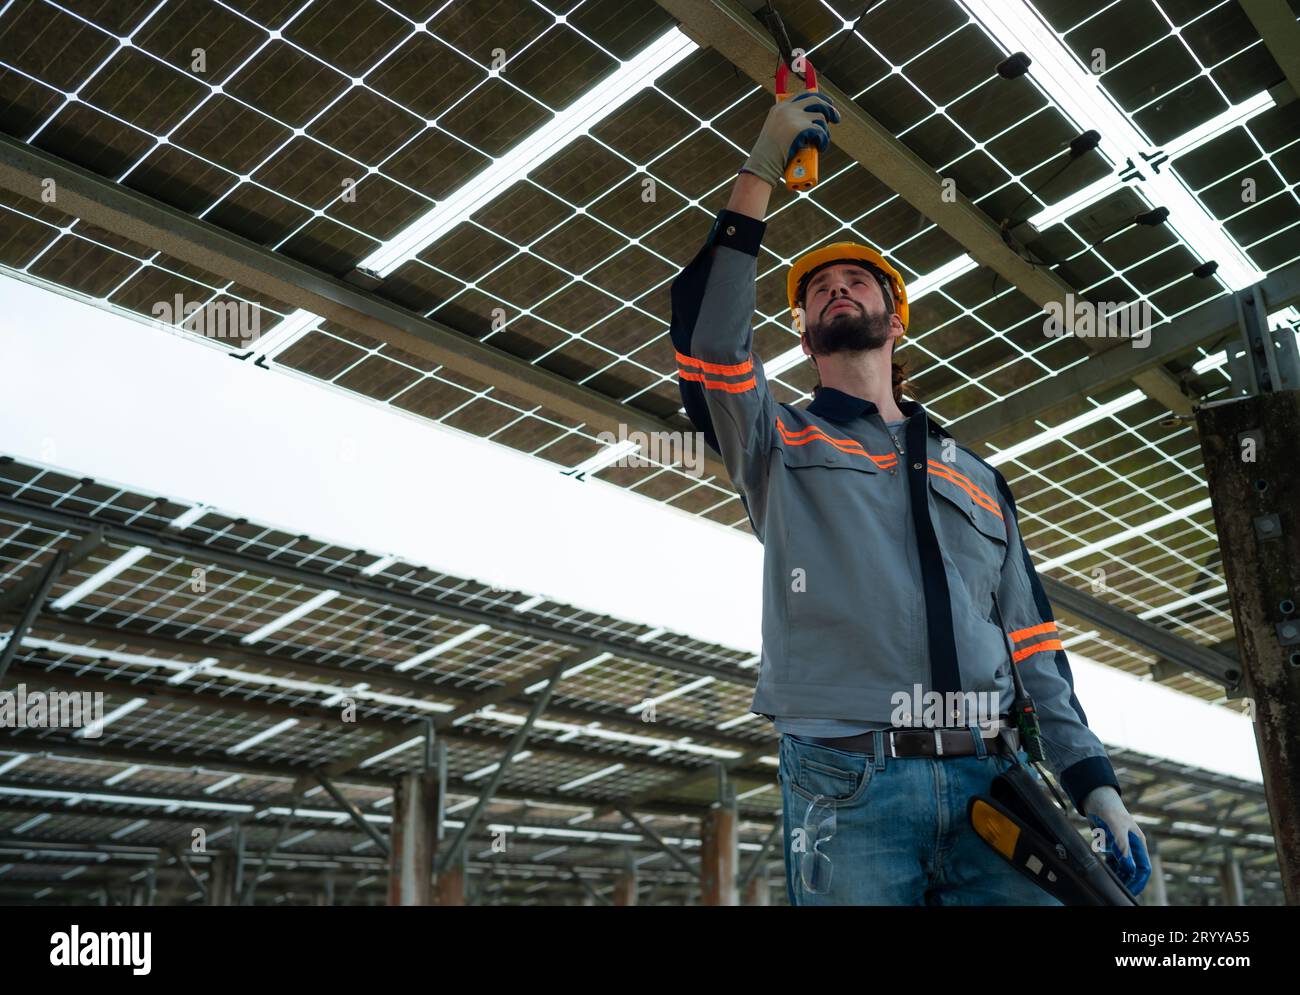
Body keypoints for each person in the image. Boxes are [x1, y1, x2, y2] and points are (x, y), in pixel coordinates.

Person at [668, 85, 1150, 905]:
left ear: (897, 322)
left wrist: (1092, 777)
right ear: (802, 330)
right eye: (818, 291)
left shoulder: (978, 475)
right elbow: (709, 336)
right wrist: (758, 170)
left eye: (858, 282)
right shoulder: (773, 440)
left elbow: (1033, 645)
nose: (836, 291)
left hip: (997, 785)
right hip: (847, 784)